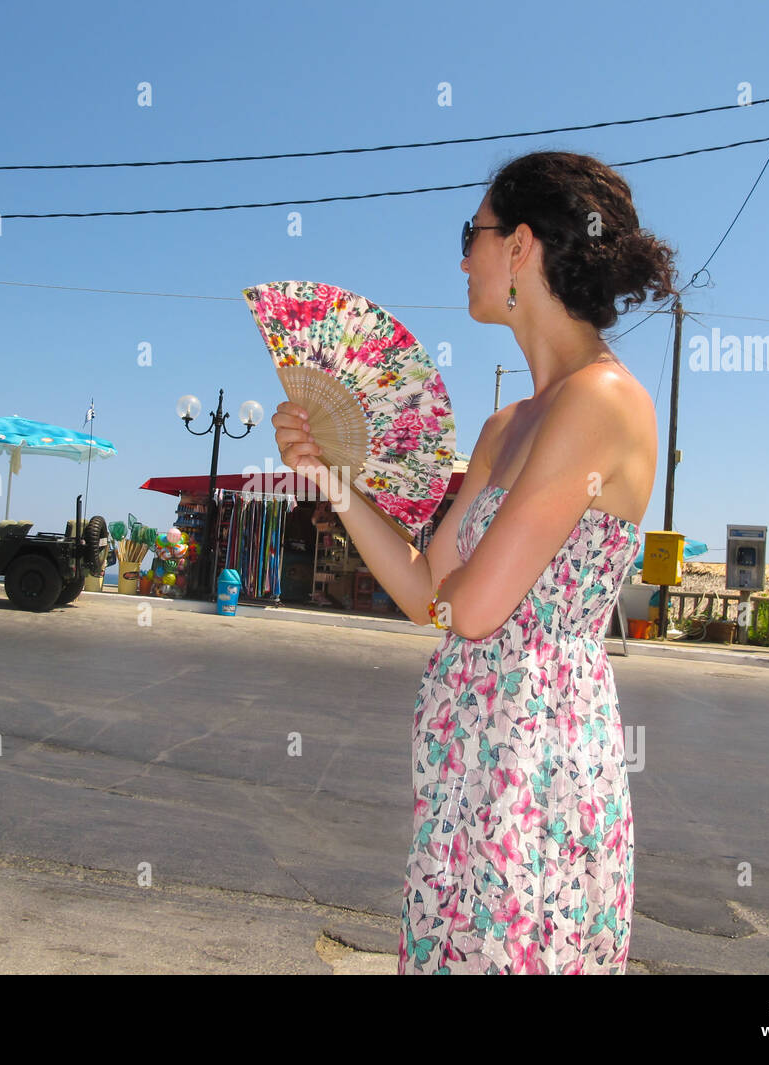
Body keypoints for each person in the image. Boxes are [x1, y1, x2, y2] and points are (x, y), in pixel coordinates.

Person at [272, 151, 675, 974]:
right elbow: (428, 590)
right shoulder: (504, 427)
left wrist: (453, 595)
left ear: (521, 245)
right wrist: (336, 481)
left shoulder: (602, 399)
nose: (463, 259)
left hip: (536, 758)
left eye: (474, 234)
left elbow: (479, 604)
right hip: (468, 759)